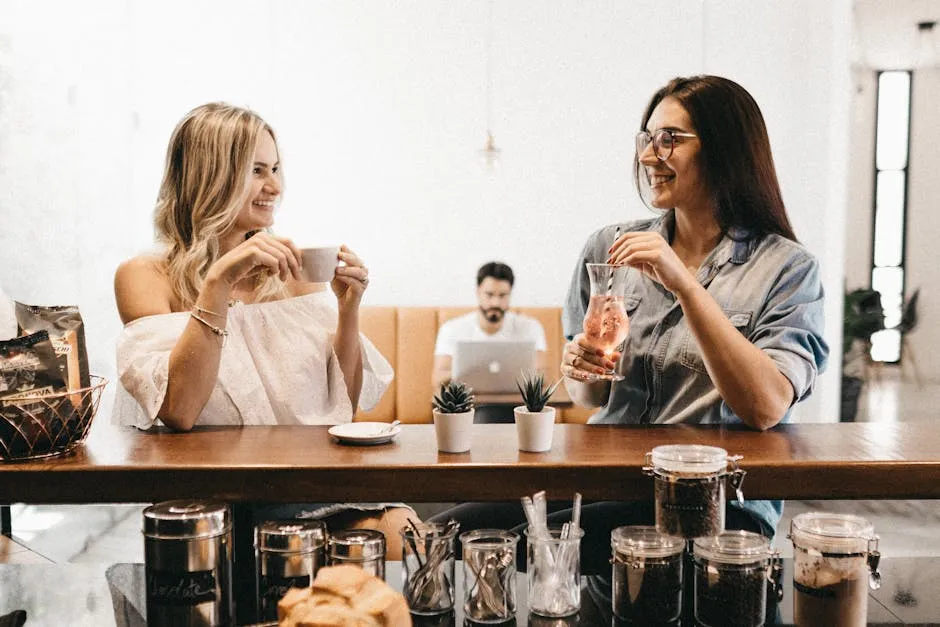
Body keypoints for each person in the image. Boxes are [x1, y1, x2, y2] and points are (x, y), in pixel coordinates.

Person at [432, 75, 829, 619]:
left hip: (717, 508)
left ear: (725, 149)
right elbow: (589, 395)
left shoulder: (786, 268)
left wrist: (684, 284)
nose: (649, 154)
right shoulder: (609, 247)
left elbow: (764, 406)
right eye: (647, 137)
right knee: (441, 531)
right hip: (605, 485)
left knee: (466, 536)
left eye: (670, 138)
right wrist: (582, 367)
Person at [111, 103, 415, 559]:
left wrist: (348, 310)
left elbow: (343, 405)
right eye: (256, 171)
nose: (275, 187)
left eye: (275, 169)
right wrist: (217, 283)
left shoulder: (294, 274)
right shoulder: (146, 275)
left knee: (406, 531)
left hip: (310, 485)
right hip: (212, 503)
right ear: (209, 174)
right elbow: (178, 409)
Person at [432, 262, 548, 422]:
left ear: (510, 295)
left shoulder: (530, 327)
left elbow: (542, 375)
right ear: (478, 292)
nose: (495, 303)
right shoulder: (452, 329)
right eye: (489, 295)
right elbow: (438, 378)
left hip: (519, 407)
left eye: (502, 296)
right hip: (468, 408)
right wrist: (469, 372)